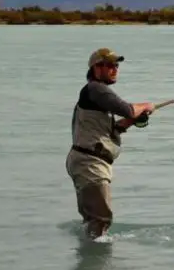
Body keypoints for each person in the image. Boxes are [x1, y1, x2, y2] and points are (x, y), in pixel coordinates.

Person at [66, 48, 154, 239]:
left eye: (116, 65)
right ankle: (96, 265)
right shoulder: (96, 89)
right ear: (96, 68)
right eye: (109, 65)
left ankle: (88, 254)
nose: (114, 69)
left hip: (86, 161)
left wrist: (129, 122)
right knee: (101, 220)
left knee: (93, 220)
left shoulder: (96, 95)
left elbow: (111, 129)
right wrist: (145, 106)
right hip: (90, 163)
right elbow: (128, 109)